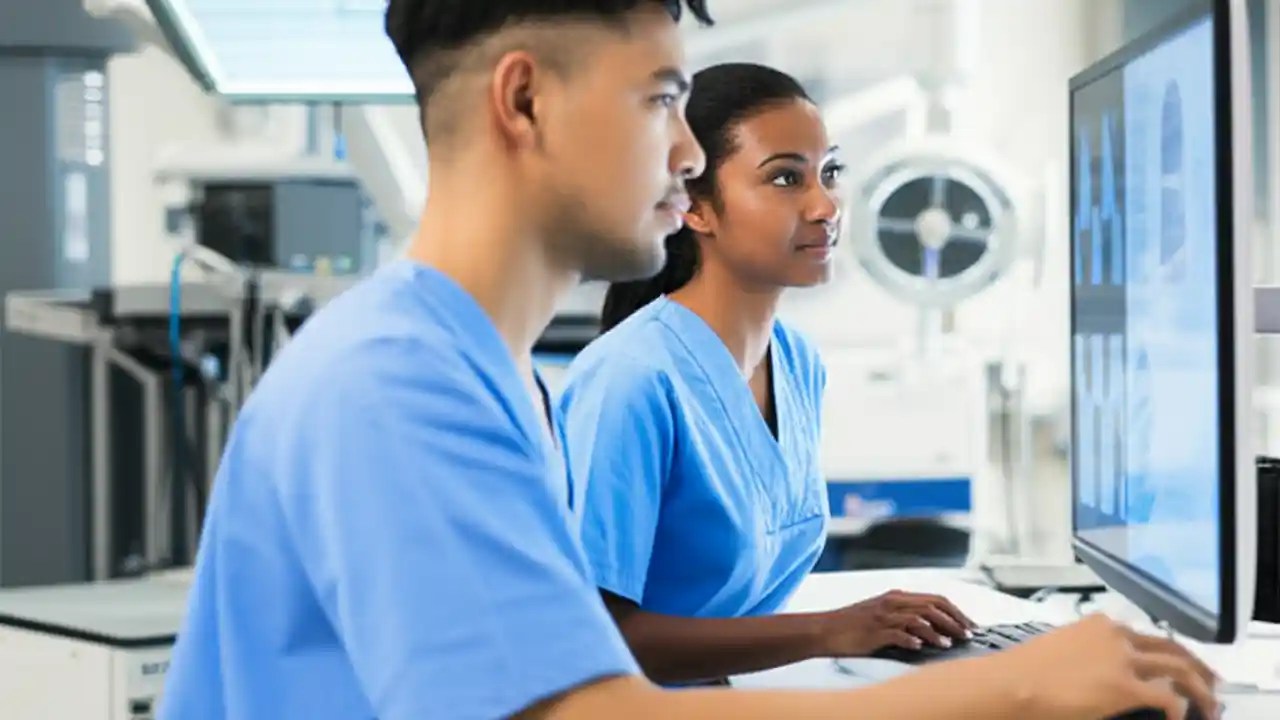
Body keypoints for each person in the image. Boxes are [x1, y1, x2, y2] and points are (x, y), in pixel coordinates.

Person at [158, 1, 1220, 719]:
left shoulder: (491, 374)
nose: (682, 154)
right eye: (661, 99)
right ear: (524, 100)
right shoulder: (392, 385)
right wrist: (1009, 687)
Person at [557, 62, 976, 686]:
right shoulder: (631, 380)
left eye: (829, 172)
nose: (825, 205)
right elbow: (599, 636)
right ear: (695, 206)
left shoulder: (797, 362)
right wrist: (832, 630)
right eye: (785, 178)